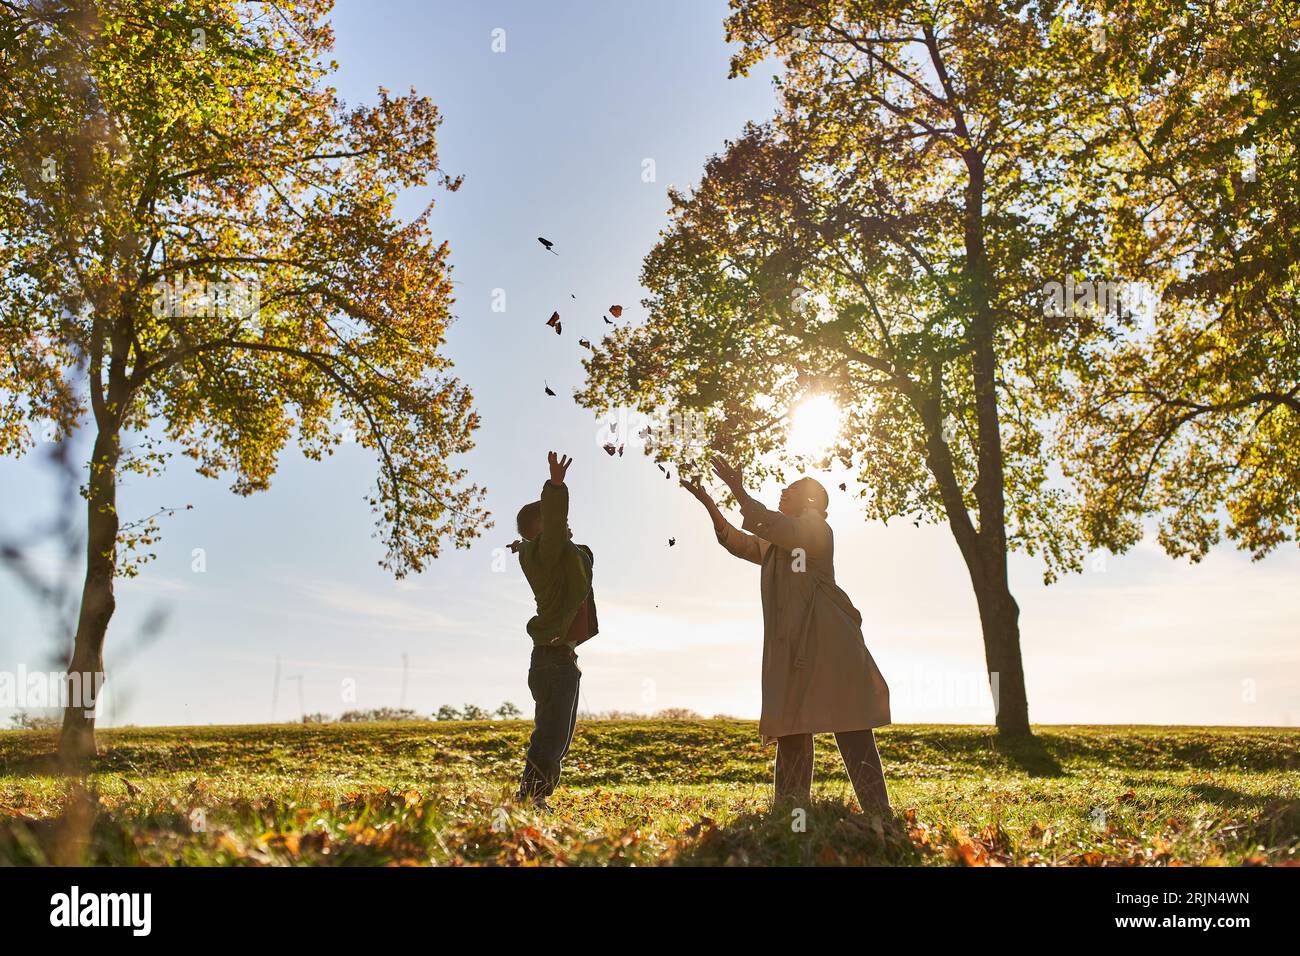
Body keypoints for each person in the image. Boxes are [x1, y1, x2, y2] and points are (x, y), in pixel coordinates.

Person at [681, 456, 891, 811]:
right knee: (792, 725)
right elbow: (739, 542)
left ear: (810, 502)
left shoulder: (814, 530)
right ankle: (791, 814)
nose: (782, 491)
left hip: (831, 642)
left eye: (791, 490)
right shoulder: (779, 545)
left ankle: (878, 812)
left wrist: (738, 489)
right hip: (795, 648)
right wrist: (711, 504)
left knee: (851, 723)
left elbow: (776, 528)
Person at [512, 451, 598, 806]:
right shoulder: (545, 554)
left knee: (559, 736)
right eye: (554, 519)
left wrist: (527, 547)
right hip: (552, 661)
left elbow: (580, 557)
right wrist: (556, 486)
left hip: (561, 659)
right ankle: (531, 797)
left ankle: (535, 795)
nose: (564, 523)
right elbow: (552, 533)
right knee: (550, 735)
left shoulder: (556, 555)